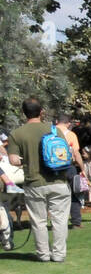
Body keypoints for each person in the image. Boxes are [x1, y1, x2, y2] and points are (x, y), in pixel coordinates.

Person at [4, 98, 71, 262]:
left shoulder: (16, 134)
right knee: (60, 220)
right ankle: (59, 254)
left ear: (24, 113)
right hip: (58, 181)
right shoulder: (54, 129)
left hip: (34, 183)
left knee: (38, 221)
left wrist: (26, 160)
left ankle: (43, 254)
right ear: (42, 111)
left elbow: (13, 160)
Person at [55, 113, 86, 229]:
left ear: (57, 121)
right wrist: (82, 169)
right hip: (68, 167)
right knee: (74, 194)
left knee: (56, 196)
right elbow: (76, 153)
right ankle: (76, 222)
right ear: (68, 123)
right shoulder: (71, 134)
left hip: (53, 168)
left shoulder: (49, 133)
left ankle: (57, 223)